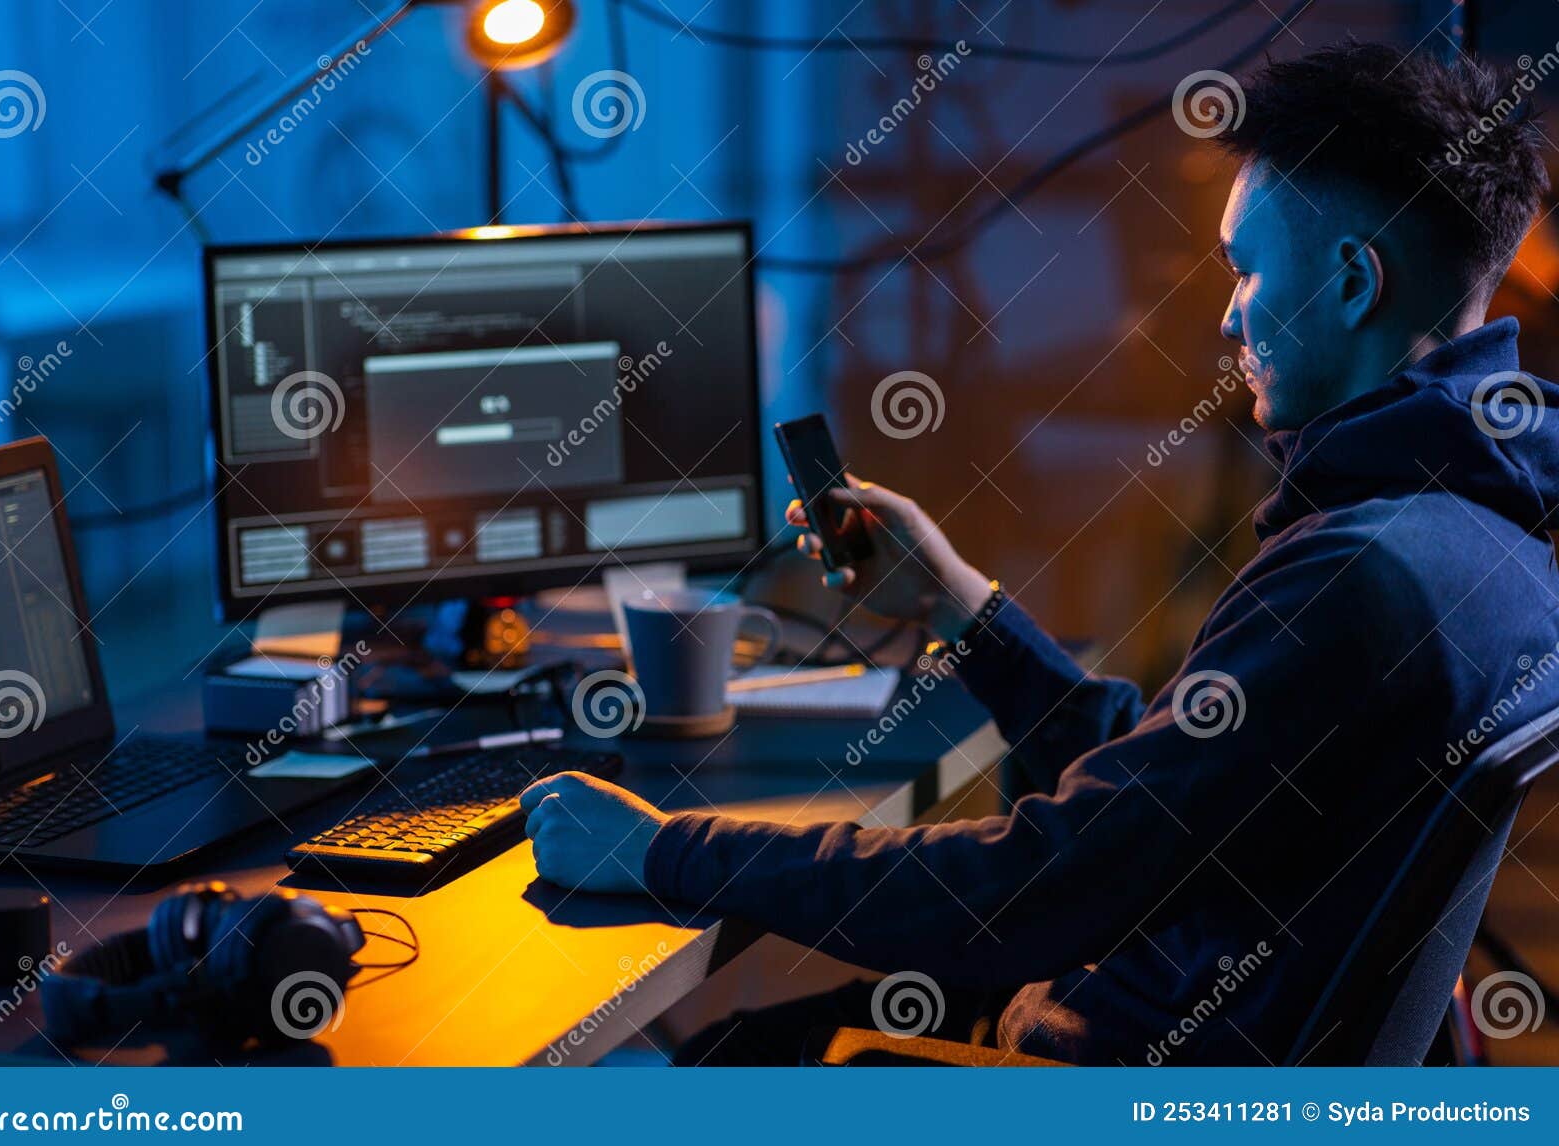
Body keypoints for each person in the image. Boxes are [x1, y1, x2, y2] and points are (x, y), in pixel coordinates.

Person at [517, 43, 1559, 1064]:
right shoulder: (1480, 532)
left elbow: (1033, 888)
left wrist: (661, 848)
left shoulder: (1356, 576)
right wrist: (963, 610)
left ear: (1352, 282)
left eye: (1246, 270)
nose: (1227, 315)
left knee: (723, 1059)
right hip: (1180, 1029)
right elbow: (1160, 801)